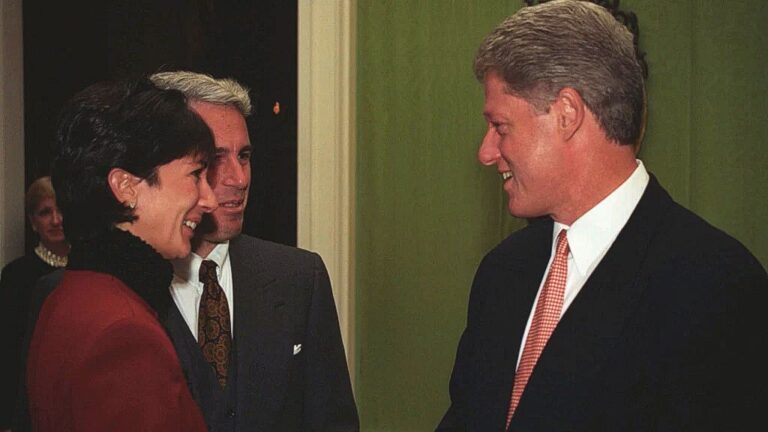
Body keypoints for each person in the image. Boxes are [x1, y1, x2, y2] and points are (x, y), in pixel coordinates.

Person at [437, 1, 768, 431]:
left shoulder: (716, 286)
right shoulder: (502, 273)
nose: (486, 153)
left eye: (500, 127)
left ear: (567, 114)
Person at [150, 71, 359, 431]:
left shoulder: (298, 279)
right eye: (215, 158)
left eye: (244, 156)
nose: (240, 178)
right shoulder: (116, 292)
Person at [25, 79, 217, 431]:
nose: (210, 199)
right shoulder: (124, 333)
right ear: (126, 187)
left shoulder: (71, 295)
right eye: (196, 174)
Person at [0, 177, 69, 430]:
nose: (56, 220)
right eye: (45, 212)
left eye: (61, 210)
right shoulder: (16, 276)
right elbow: (8, 350)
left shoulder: (89, 267)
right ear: (32, 222)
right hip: (31, 401)